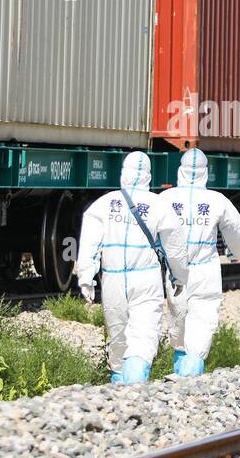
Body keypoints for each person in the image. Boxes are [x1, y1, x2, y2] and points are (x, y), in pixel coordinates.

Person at [75, 151, 188, 384]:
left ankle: (118, 386)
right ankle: (135, 385)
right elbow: (175, 248)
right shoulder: (159, 204)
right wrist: (179, 276)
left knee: (118, 336)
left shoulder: (104, 204)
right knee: (144, 333)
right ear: (148, 175)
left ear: (123, 173)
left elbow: (89, 242)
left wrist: (86, 276)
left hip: (112, 279)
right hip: (145, 278)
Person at [166, 148, 240, 376]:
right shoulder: (216, 200)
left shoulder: (165, 199)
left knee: (178, 324)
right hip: (206, 272)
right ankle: (191, 374)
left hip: (175, 273)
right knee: (202, 323)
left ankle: (178, 370)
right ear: (206, 173)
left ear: (180, 171)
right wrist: (236, 253)